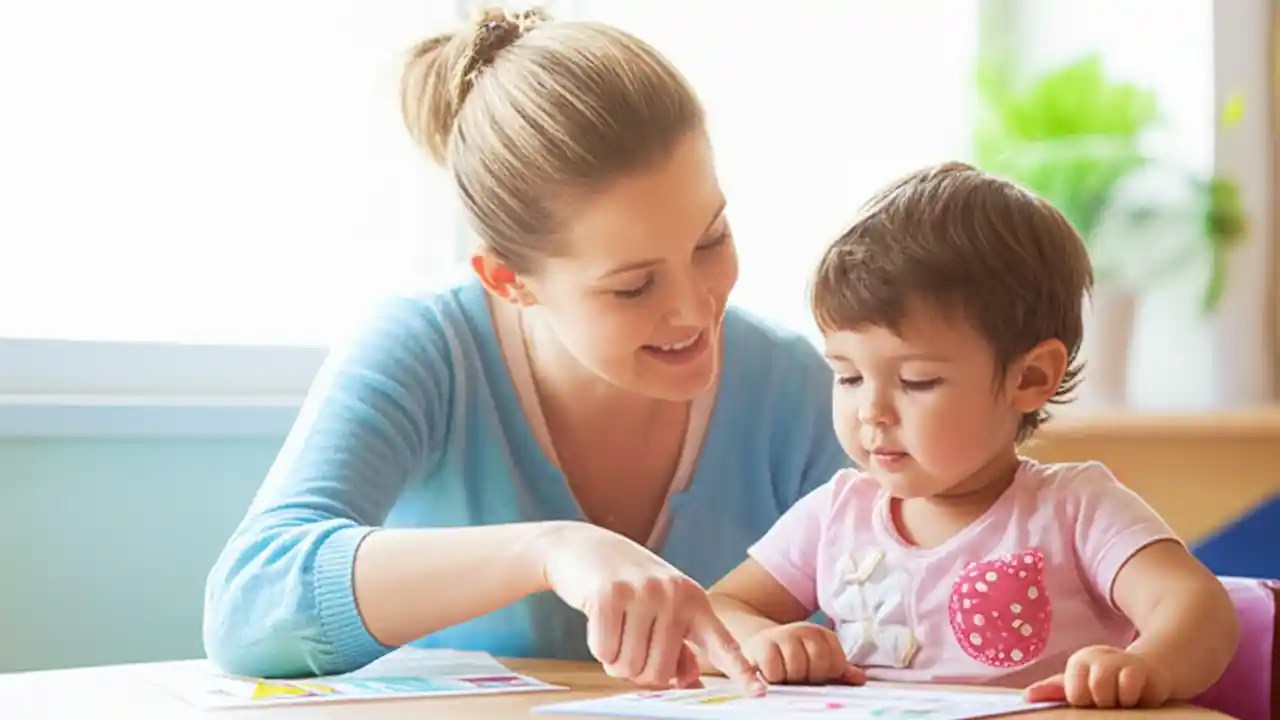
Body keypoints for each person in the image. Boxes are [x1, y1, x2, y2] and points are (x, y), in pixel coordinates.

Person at [202, 7, 845, 694]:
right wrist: (551, 549)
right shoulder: (428, 349)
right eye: (632, 287)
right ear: (508, 280)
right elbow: (249, 605)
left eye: (710, 240)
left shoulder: (794, 388)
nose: (695, 309)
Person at [708, 162, 1240, 709]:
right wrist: (763, 639)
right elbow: (715, 613)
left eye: (917, 381)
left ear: (1029, 378)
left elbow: (1198, 608)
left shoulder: (1075, 509)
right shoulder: (834, 516)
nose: (871, 410)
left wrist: (1143, 665)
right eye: (848, 376)